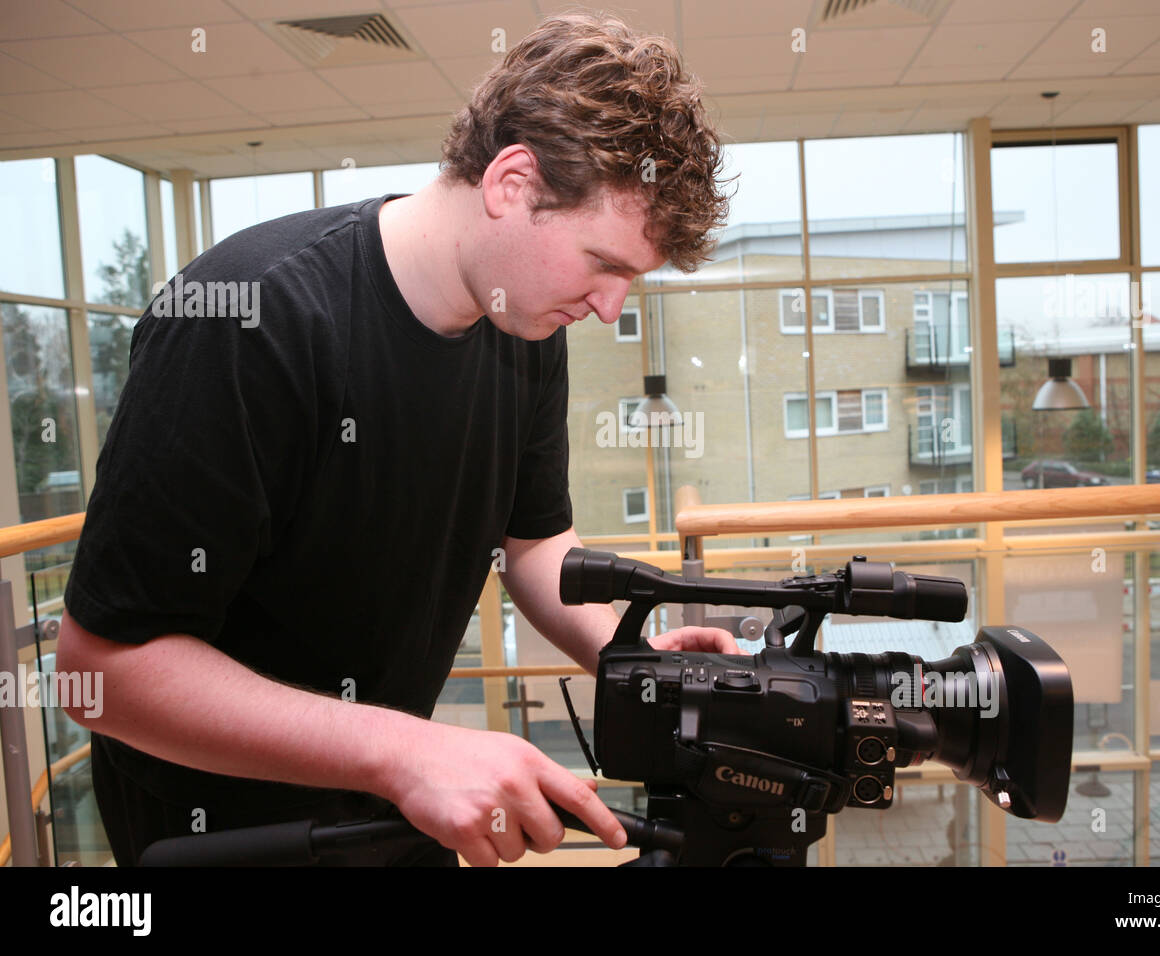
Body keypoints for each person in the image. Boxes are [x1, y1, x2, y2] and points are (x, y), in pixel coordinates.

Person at [55, 12, 737, 867]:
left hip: (396, 800)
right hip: (227, 832)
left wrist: (630, 660)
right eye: (605, 265)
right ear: (513, 183)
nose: (610, 308)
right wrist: (407, 750)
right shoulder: (250, 316)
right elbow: (101, 671)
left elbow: (534, 545)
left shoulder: (526, 329)